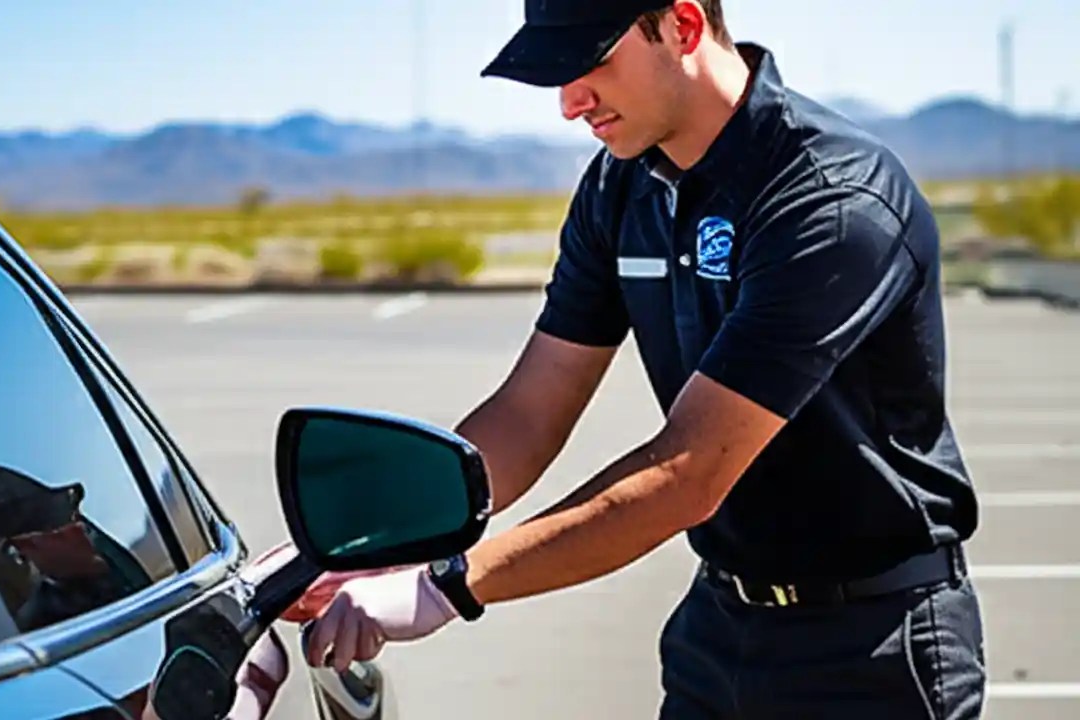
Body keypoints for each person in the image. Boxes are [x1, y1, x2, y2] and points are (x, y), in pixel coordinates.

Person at [288, 1, 987, 717]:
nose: (568, 104)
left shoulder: (829, 199)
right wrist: (365, 544)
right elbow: (530, 411)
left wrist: (447, 585)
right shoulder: (619, 188)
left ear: (682, 26)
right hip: (718, 629)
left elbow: (689, 472)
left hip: (871, 644)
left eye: (590, 64)